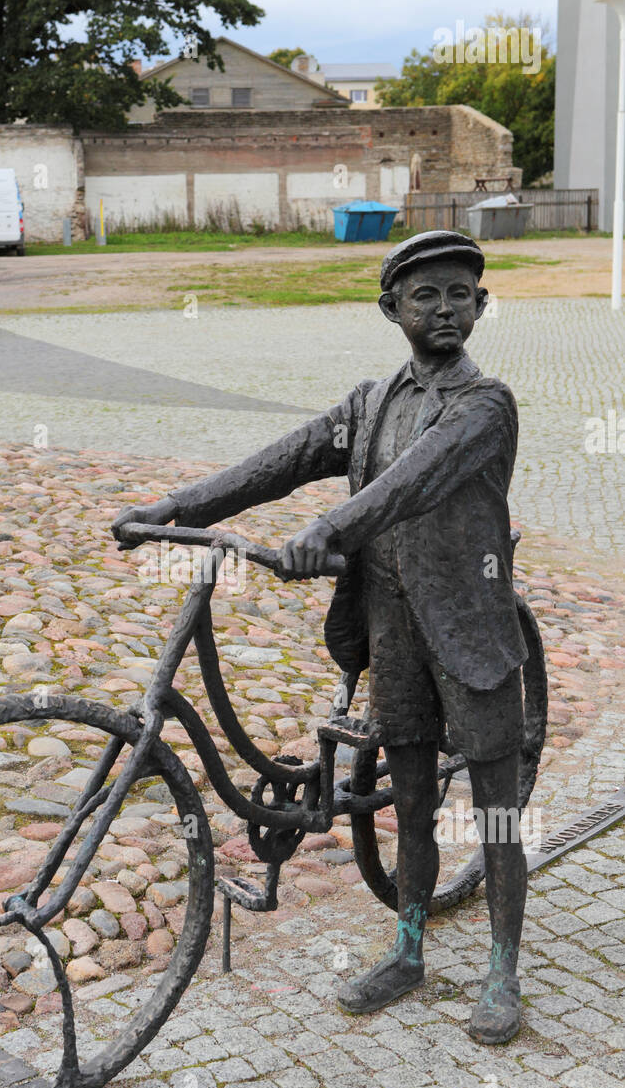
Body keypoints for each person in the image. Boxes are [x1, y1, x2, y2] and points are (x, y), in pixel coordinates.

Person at [113, 230, 528, 1045]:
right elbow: (283, 459)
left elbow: (411, 484)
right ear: (391, 310)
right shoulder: (370, 402)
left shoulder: (485, 405)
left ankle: (503, 968)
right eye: (425, 296)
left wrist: (325, 527)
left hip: (470, 626)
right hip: (393, 621)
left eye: (459, 295)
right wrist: (180, 509)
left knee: (497, 808)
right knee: (408, 796)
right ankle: (407, 949)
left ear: (481, 306)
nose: (444, 309)